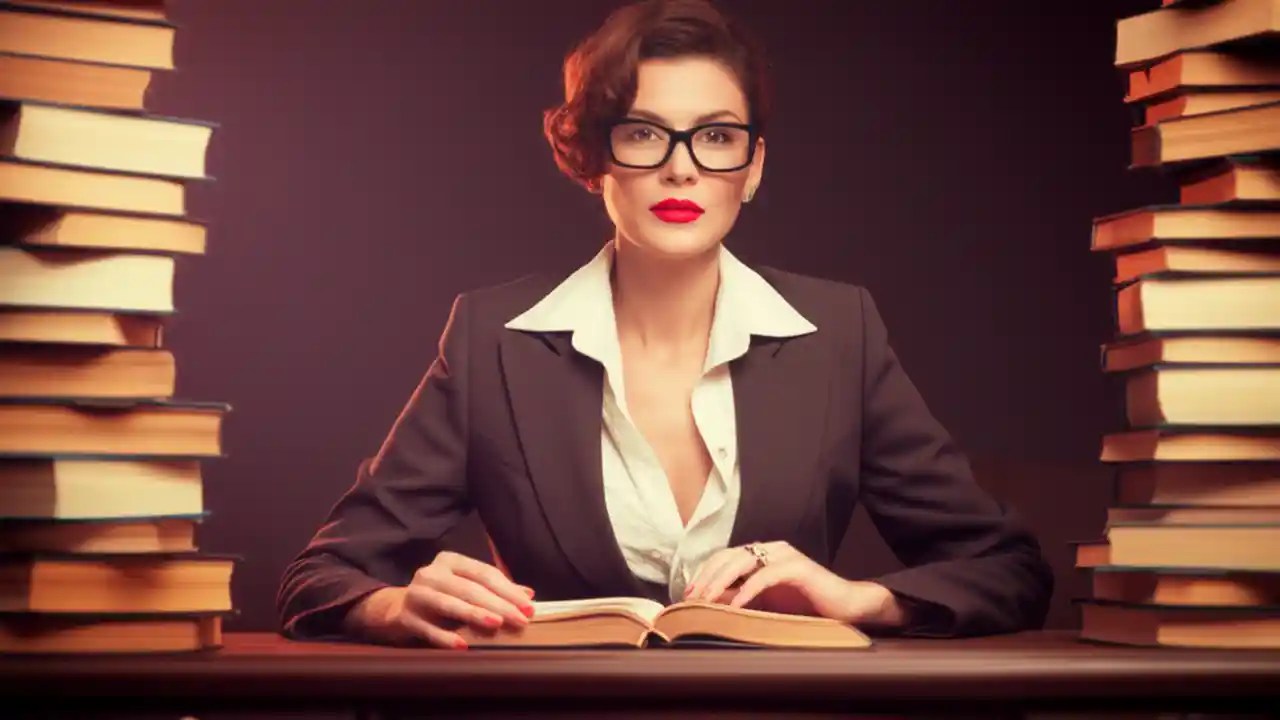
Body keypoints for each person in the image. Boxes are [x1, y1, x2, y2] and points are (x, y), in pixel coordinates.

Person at [276, 0, 1054, 650]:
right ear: (592, 159)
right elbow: (319, 578)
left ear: (752, 168)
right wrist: (395, 605)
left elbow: (1005, 568)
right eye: (644, 132)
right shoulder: (493, 340)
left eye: (716, 137)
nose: (681, 167)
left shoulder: (839, 334)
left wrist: (857, 600)